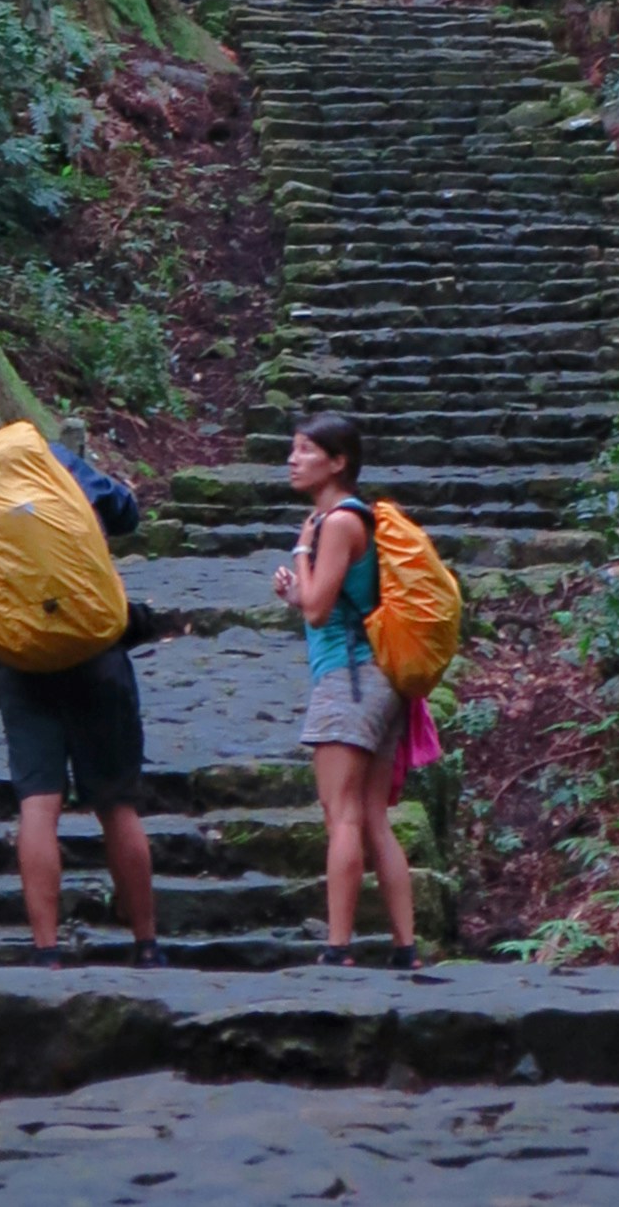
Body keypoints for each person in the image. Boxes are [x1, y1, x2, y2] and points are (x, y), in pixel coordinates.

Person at [0, 420, 162, 968]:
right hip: (96, 648)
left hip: (19, 659)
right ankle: (146, 945)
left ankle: (46, 950)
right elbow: (125, 513)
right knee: (117, 803)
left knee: (38, 804)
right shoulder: (47, 459)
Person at [273, 410, 421, 969]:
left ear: (338, 462)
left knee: (342, 814)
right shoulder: (354, 519)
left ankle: (338, 947)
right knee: (373, 814)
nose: (293, 460)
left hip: (349, 679)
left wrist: (302, 553)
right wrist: (299, 590)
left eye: (306, 450)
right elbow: (324, 602)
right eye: (293, 449)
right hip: (380, 680)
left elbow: (317, 612)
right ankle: (405, 947)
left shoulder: (335, 523)